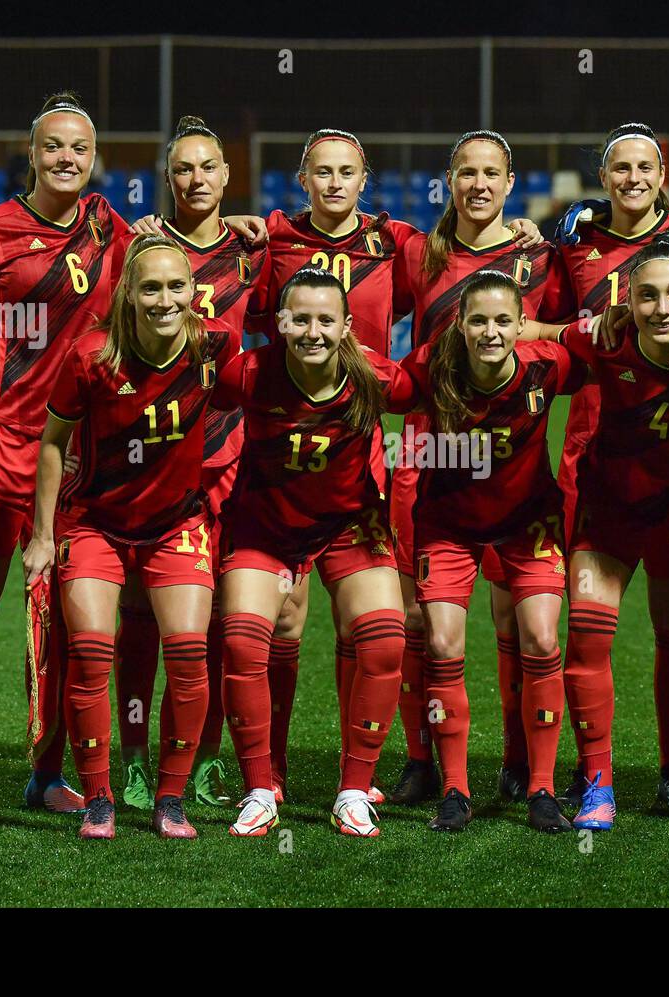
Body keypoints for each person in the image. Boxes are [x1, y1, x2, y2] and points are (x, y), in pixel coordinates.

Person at [241, 128, 542, 804]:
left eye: (348, 171)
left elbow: (485, 278)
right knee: (336, 615)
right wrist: (246, 228)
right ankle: (375, 764)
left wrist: (534, 230)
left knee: (401, 616)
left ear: (365, 179)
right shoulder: (277, 241)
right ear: (302, 177)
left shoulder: (401, 244)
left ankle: (505, 763)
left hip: (377, 444)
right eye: (322, 171)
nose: (335, 182)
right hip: (309, 450)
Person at [0, 91, 129, 822]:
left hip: (76, 462)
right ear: (32, 151)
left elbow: (182, 260)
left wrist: (243, 230)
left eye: (79, 148)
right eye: (53, 147)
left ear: (94, 153)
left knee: (63, 622)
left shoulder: (112, 228)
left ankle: (46, 774)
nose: (66, 159)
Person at [548, 122, 669, 813]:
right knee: (577, 628)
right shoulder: (574, 241)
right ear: (603, 179)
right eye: (619, 168)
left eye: (645, 167)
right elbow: (540, 333)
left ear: (663, 174)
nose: (632, 178)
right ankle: (578, 770)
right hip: (599, 463)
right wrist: (564, 328)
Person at [22, 234, 235, 840]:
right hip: (96, 523)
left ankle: (171, 798)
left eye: (176, 287)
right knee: (90, 650)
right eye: (151, 287)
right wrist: (42, 536)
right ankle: (97, 797)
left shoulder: (215, 345)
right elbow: (51, 444)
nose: (165, 299)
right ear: (128, 296)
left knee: (190, 653)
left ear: (193, 294)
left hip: (176, 525)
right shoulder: (92, 357)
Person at [388, 129, 569, 807]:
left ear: (511, 182)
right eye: (467, 173)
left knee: (516, 621)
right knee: (419, 622)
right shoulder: (416, 250)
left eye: (492, 174)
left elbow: (569, 335)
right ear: (449, 180)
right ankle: (419, 760)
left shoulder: (539, 257)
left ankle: (522, 763)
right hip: (428, 460)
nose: (479, 185)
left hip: (513, 463)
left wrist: (530, 330)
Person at [214, 268, 409, 838]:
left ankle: (353, 789)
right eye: (300, 319)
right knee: (243, 637)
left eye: (327, 319)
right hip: (266, 527)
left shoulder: (374, 377)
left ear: (348, 327)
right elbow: (175, 391)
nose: (313, 331)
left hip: (349, 524)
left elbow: (448, 385)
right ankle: (260, 788)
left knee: (384, 634)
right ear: (279, 324)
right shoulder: (249, 374)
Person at [112, 115, 268, 812]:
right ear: (167, 176)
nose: (197, 179)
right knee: (140, 616)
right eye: (183, 169)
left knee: (211, 622)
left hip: (229, 459)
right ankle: (136, 759)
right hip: (151, 461)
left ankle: (203, 760)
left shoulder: (253, 249)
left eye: (208, 167)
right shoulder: (140, 247)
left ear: (226, 174)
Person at [399, 269, 580, 833]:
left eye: (504, 320)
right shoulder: (433, 368)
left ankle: (542, 787)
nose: (490, 331)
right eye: (478, 319)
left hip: (528, 526)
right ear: (461, 322)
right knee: (444, 643)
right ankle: (454, 788)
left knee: (543, 639)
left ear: (523, 325)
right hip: (449, 526)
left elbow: (619, 358)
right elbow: (373, 387)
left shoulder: (548, 367)